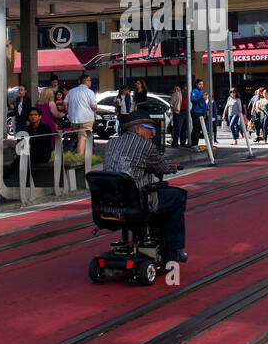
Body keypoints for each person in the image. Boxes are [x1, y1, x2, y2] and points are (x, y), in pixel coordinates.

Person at [100, 116, 188, 263]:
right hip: (138, 202)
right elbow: (163, 166)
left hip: (111, 203)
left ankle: (131, 238)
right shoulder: (145, 146)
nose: (153, 134)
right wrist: (175, 166)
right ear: (136, 128)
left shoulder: (111, 143)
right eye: (150, 130)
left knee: (132, 196)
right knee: (177, 196)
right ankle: (175, 248)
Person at [65, 73, 98, 156]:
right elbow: (94, 106)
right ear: (85, 81)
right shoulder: (89, 92)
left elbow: (65, 103)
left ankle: (73, 153)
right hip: (86, 118)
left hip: (74, 119)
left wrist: (69, 112)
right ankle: (80, 157)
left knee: (78, 136)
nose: (90, 82)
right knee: (82, 137)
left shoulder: (72, 91)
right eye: (89, 80)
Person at [189, 78, 207, 148]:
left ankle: (195, 144)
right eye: (200, 84)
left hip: (201, 112)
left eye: (202, 84)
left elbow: (203, 103)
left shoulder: (200, 91)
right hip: (196, 112)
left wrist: (205, 112)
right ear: (196, 84)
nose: (201, 86)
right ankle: (194, 144)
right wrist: (201, 97)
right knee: (196, 128)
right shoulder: (194, 91)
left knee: (198, 129)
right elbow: (193, 100)